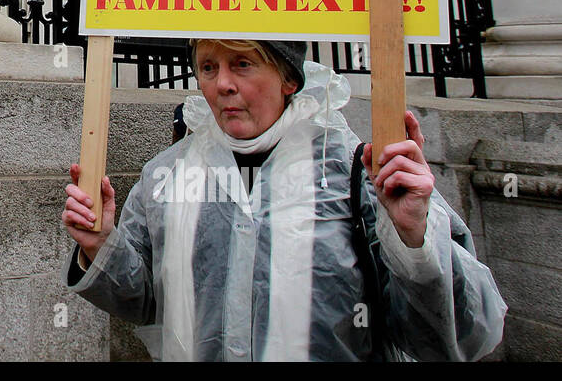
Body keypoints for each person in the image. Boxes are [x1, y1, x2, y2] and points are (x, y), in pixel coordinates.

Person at [62, 38, 507, 361]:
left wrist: (415, 238)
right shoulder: (167, 173)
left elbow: (456, 337)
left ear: (289, 77)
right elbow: (144, 304)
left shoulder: (362, 173)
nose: (222, 85)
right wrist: (101, 246)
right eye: (209, 66)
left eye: (242, 64)